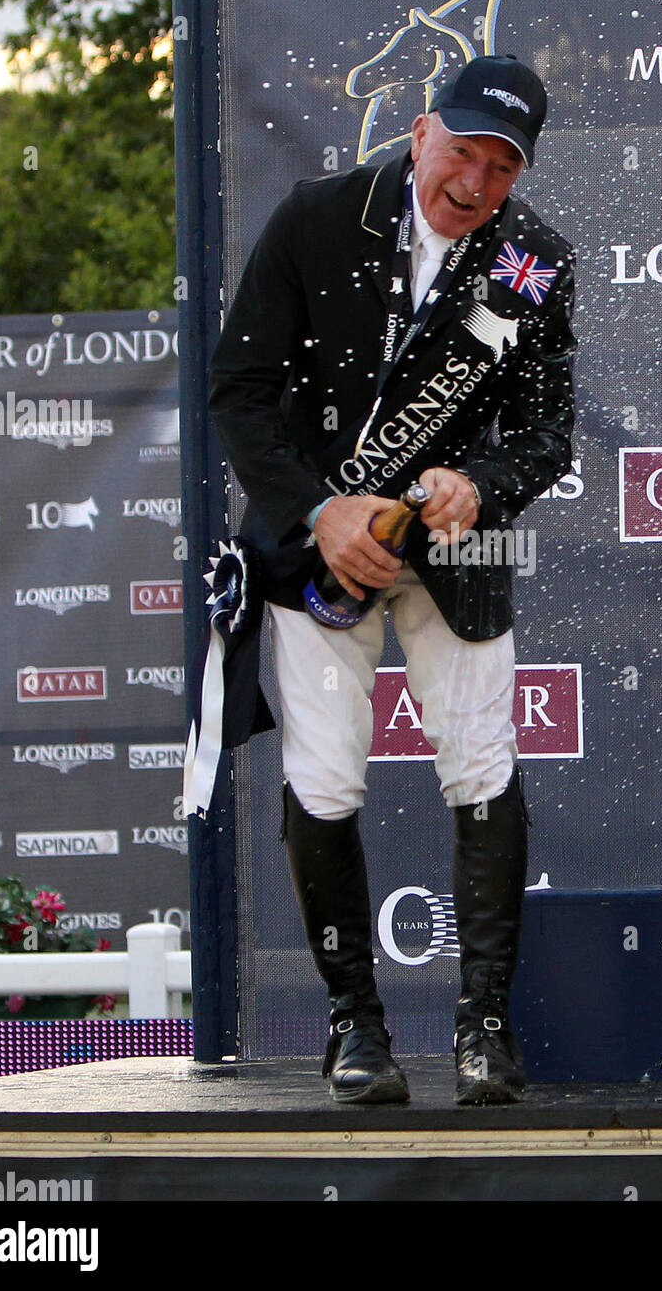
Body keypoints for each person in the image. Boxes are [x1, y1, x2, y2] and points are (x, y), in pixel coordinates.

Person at [208, 55, 576, 1105]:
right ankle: (354, 1029)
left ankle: (482, 1032)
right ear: (418, 133)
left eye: (501, 166)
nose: (474, 182)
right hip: (317, 553)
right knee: (323, 780)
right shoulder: (315, 217)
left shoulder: (533, 263)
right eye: (461, 150)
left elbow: (545, 432)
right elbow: (238, 391)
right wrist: (319, 511)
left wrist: (481, 482)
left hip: (452, 555)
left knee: (481, 767)